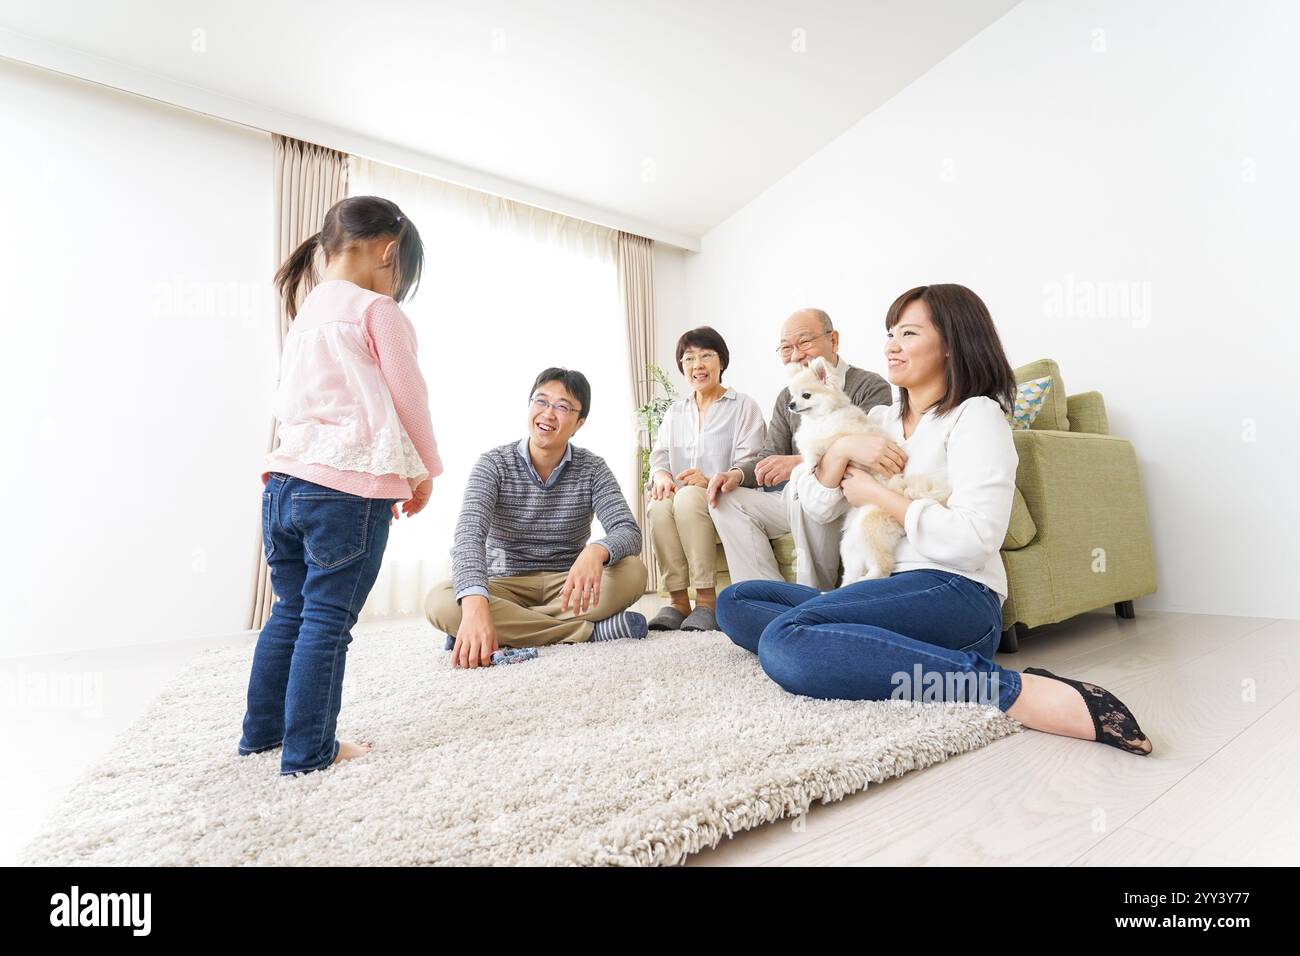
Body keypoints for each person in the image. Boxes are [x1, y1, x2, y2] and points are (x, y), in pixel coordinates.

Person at [716, 284, 1152, 757]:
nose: (891, 345)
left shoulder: (976, 417)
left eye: (908, 332)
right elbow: (818, 506)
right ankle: (868, 641)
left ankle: (1013, 692)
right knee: (737, 601)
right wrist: (842, 450)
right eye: (889, 333)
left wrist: (879, 494)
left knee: (785, 642)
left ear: (951, 344)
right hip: (884, 589)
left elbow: (976, 539)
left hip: (956, 592)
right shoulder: (877, 420)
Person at [240, 195, 443, 775]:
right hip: (344, 491)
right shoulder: (378, 313)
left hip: (282, 483)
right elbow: (409, 398)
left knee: (291, 611)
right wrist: (421, 469)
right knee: (327, 621)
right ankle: (309, 751)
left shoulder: (307, 315)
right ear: (388, 251)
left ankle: (262, 735)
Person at [425, 368, 648, 667]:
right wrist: (476, 604)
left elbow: (628, 531)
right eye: (541, 401)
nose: (548, 413)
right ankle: (589, 632)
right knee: (441, 601)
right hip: (504, 584)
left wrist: (597, 550)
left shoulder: (593, 468)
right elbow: (468, 537)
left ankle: (497, 629)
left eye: (562, 406)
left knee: (634, 571)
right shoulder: (493, 464)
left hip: (567, 586)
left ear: (579, 423)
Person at [707, 308, 892, 589]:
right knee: (726, 500)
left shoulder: (869, 385)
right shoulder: (788, 396)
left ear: (834, 340)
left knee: (802, 485)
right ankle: (767, 595)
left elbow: (868, 448)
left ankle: (812, 598)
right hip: (794, 499)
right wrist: (736, 475)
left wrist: (797, 465)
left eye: (804, 342)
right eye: (785, 348)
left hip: (842, 495)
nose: (795, 354)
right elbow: (770, 454)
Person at [646, 327, 765, 632]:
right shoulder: (675, 413)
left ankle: (706, 601)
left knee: (686, 497)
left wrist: (709, 478)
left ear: (721, 362)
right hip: (683, 500)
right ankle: (677, 601)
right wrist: (661, 475)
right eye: (689, 359)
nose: (697, 365)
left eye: (705, 356)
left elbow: (750, 464)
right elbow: (659, 455)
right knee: (659, 506)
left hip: (722, 497)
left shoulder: (743, 406)